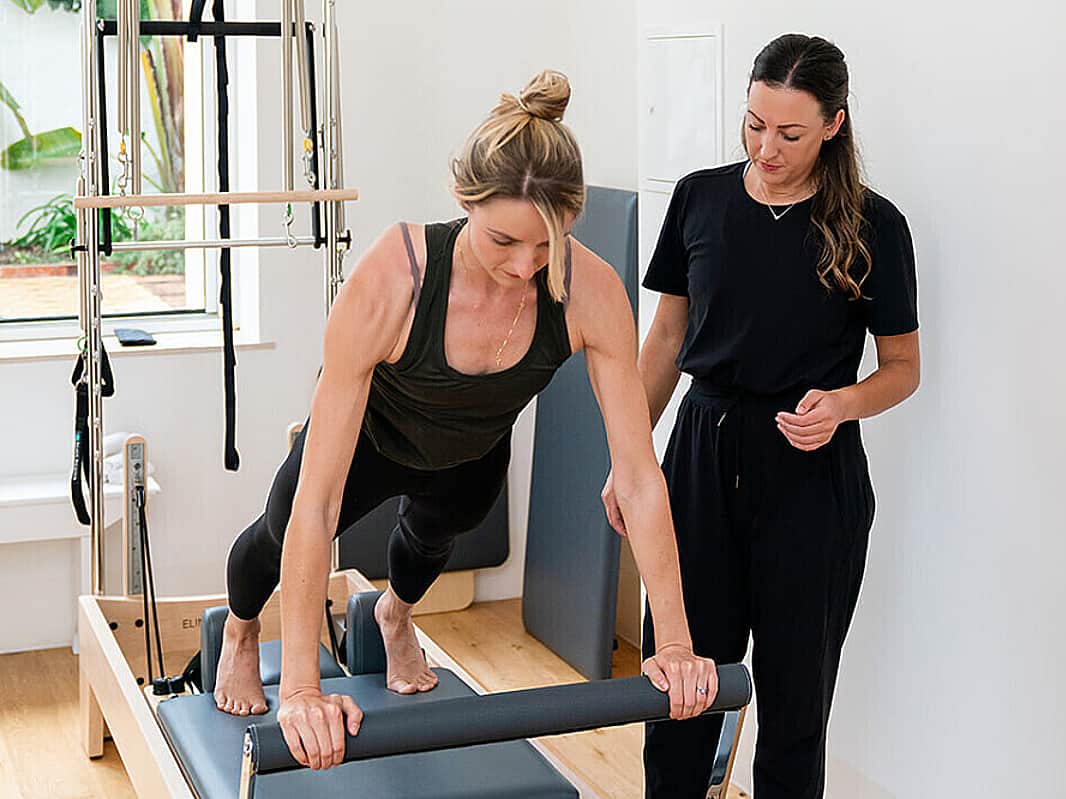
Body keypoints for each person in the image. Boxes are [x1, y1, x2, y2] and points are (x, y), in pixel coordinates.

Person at [212, 70, 718, 771]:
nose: (525, 266)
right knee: (274, 533)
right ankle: (237, 632)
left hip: (472, 451)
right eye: (504, 240)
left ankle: (393, 614)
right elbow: (318, 503)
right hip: (369, 441)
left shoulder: (592, 291)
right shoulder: (396, 275)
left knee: (431, 538)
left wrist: (675, 641)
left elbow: (637, 477)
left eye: (548, 244)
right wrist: (300, 685)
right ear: (462, 199)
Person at [602, 35, 921, 797]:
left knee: (794, 713)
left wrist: (844, 404)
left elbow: (904, 369)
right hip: (698, 466)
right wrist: (629, 458)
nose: (766, 148)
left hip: (813, 478)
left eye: (790, 133)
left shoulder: (874, 226)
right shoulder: (699, 198)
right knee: (679, 696)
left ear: (834, 125)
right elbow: (666, 339)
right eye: (753, 125)